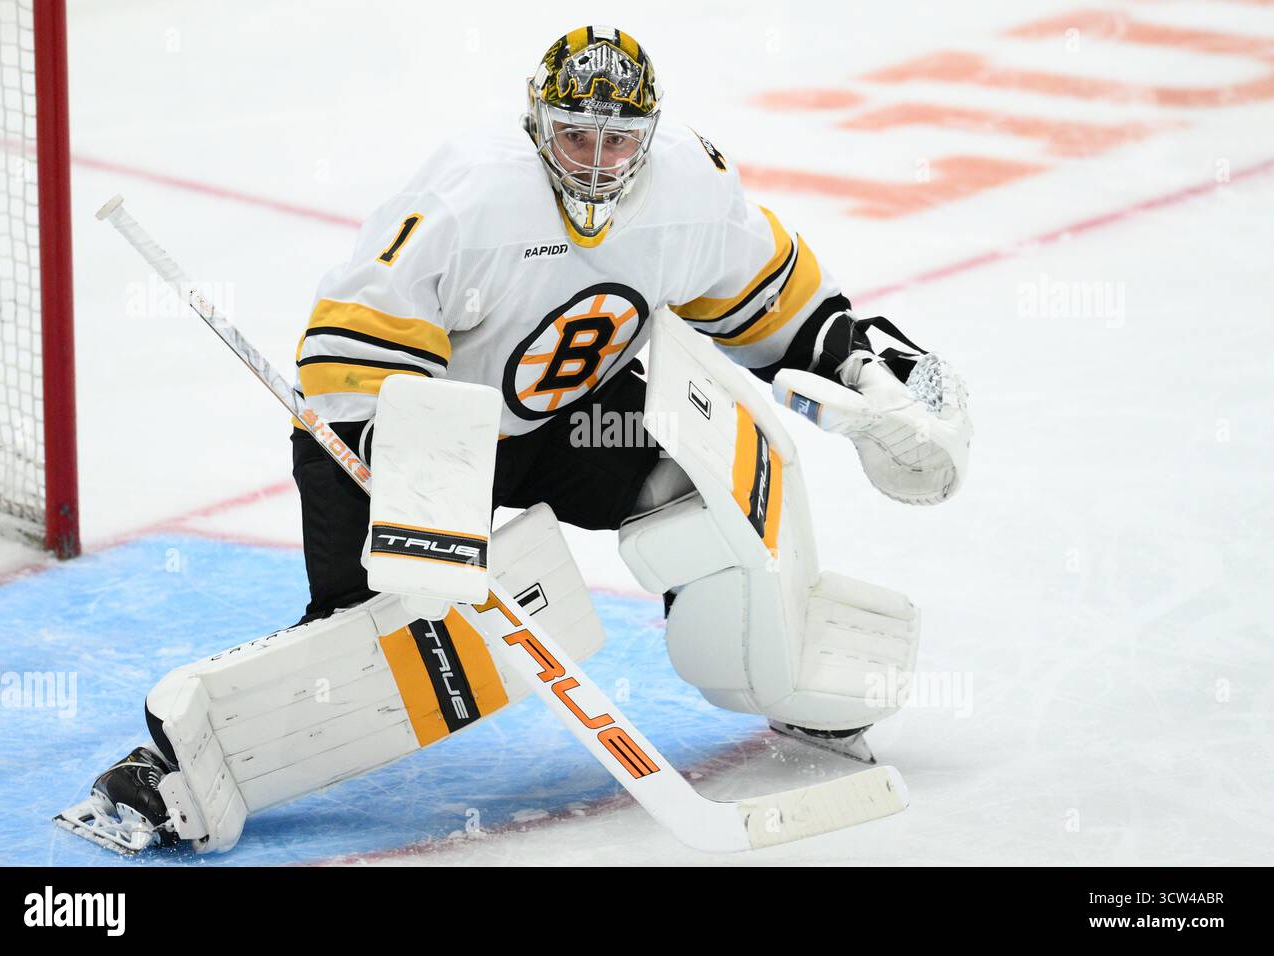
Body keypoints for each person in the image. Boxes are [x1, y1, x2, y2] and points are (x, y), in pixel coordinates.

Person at [57, 25, 971, 855]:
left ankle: (779, 677)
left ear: (648, 137)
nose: (599, 161)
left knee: (700, 496)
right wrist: (422, 501)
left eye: (620, 140)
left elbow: (783, 308)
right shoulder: (471, 195)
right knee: (385, 633)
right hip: (401, 427)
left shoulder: (693, 191)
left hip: (572, 421)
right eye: (578, 135)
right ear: (540, 127)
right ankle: (169, 769)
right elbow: (348, 352)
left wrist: (870, 371)